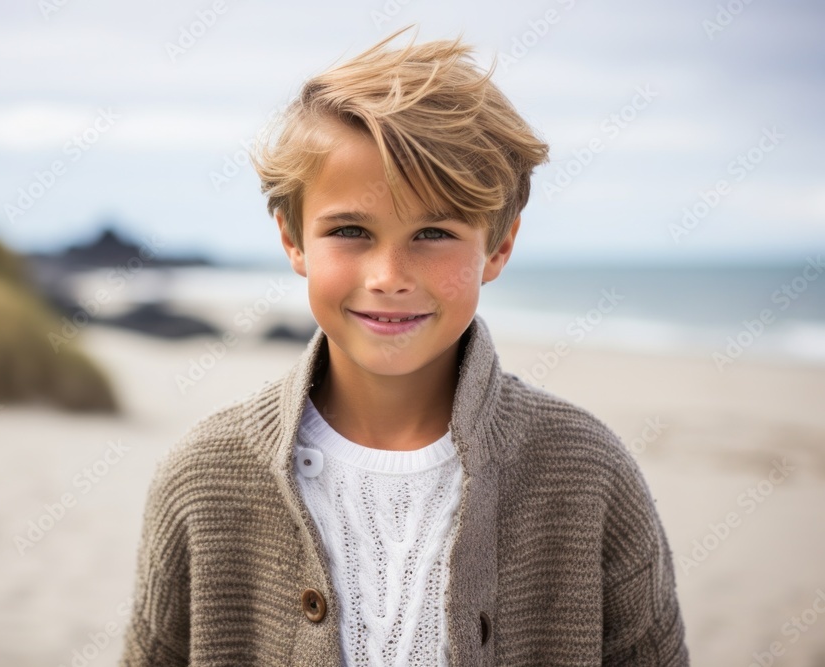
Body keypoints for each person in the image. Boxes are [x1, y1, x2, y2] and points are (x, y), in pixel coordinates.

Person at [119, 26, 689, 666]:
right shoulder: (201, 476)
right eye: (352, 230)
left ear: (498, 246)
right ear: (293, 239)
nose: (388, 276)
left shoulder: (588, 474)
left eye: (433, 233)